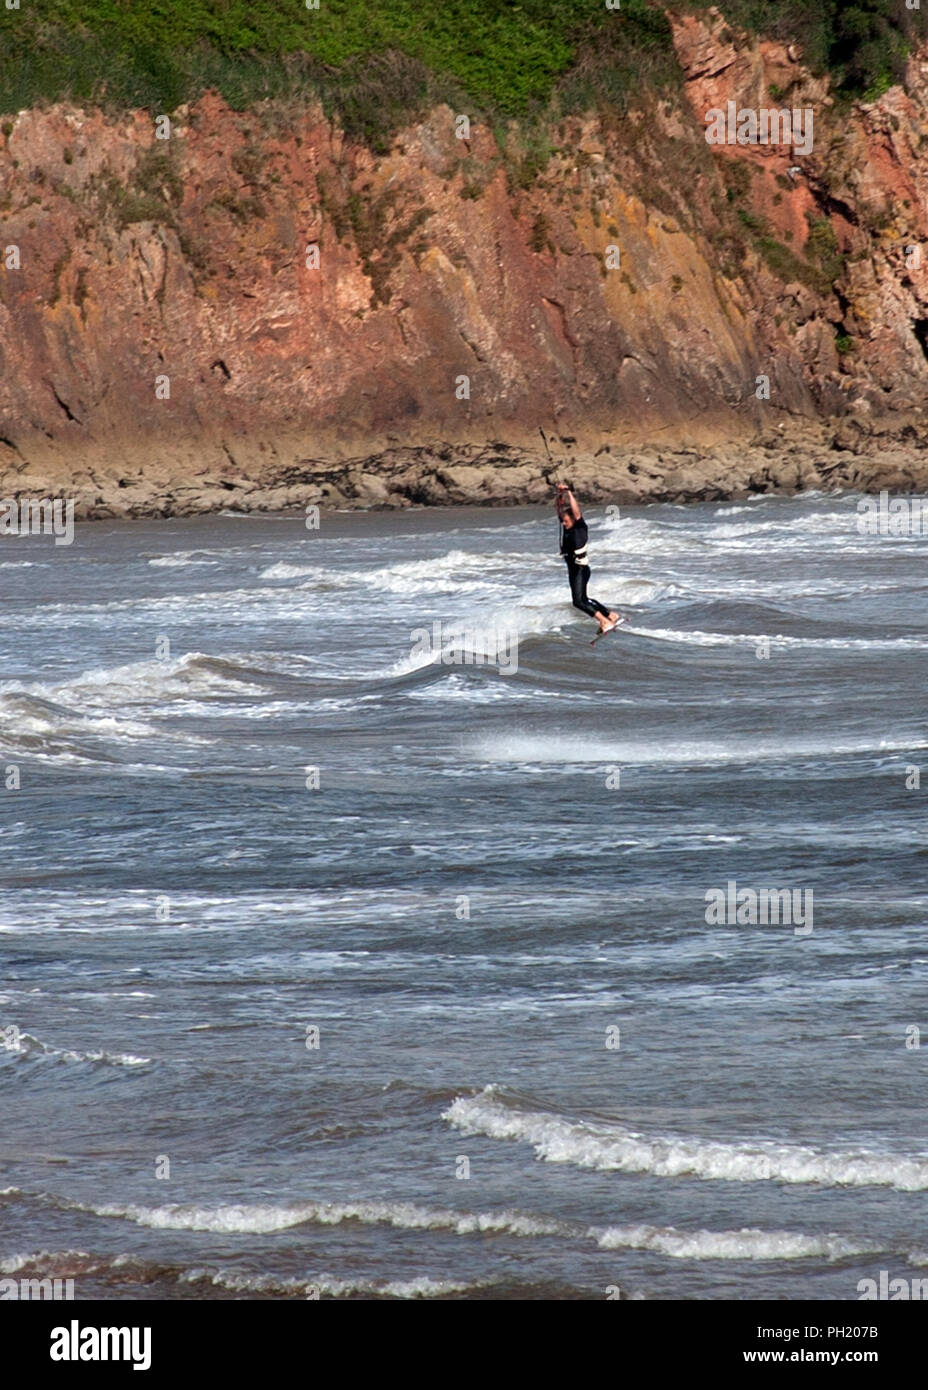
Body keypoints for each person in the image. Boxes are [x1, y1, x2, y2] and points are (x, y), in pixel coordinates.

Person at [555, 483, 620, 634]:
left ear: (573, 519)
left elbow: (576, 512)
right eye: (563, 521)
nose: (563, 523)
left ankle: (605, 621)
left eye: (566, 521)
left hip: (579, 568)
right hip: (574, 568)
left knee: (578, 601)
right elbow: (559, 510)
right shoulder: (567, 528)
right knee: (583, 599)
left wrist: (569, 492)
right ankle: (611, 615)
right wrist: (559, 495)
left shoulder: (579, 527)